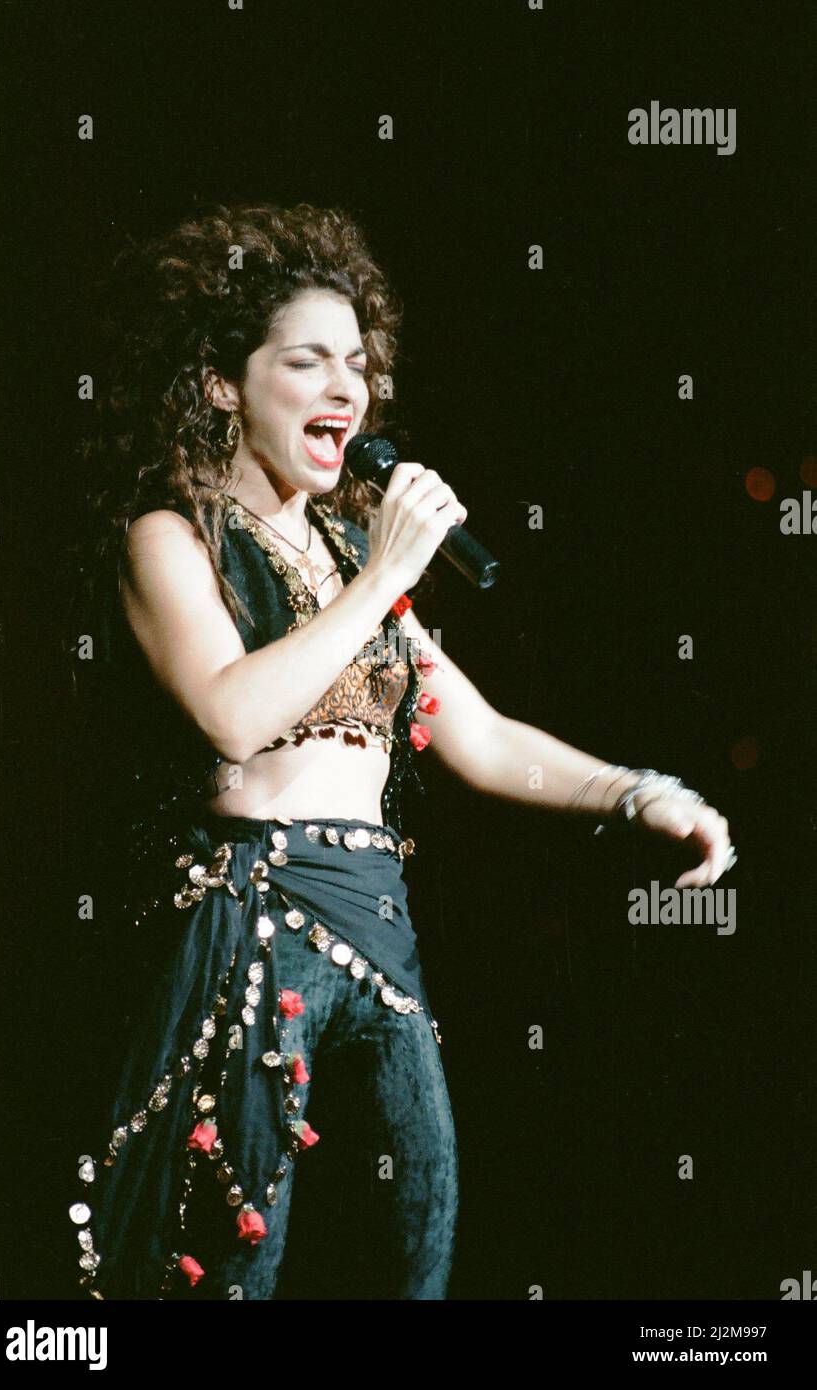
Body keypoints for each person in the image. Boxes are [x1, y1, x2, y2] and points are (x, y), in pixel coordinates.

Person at [66, 202, 735, 1301]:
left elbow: (476, 736)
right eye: (307, 361)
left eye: (358, 363)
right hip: (255, 928)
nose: (349, 388)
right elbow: (231, 713)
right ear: (224, 384)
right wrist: (381, 579)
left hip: (384, 928)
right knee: (230, 1262)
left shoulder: (345, 548)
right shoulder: (173, 535)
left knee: (411, 1245)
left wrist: (637, 791)